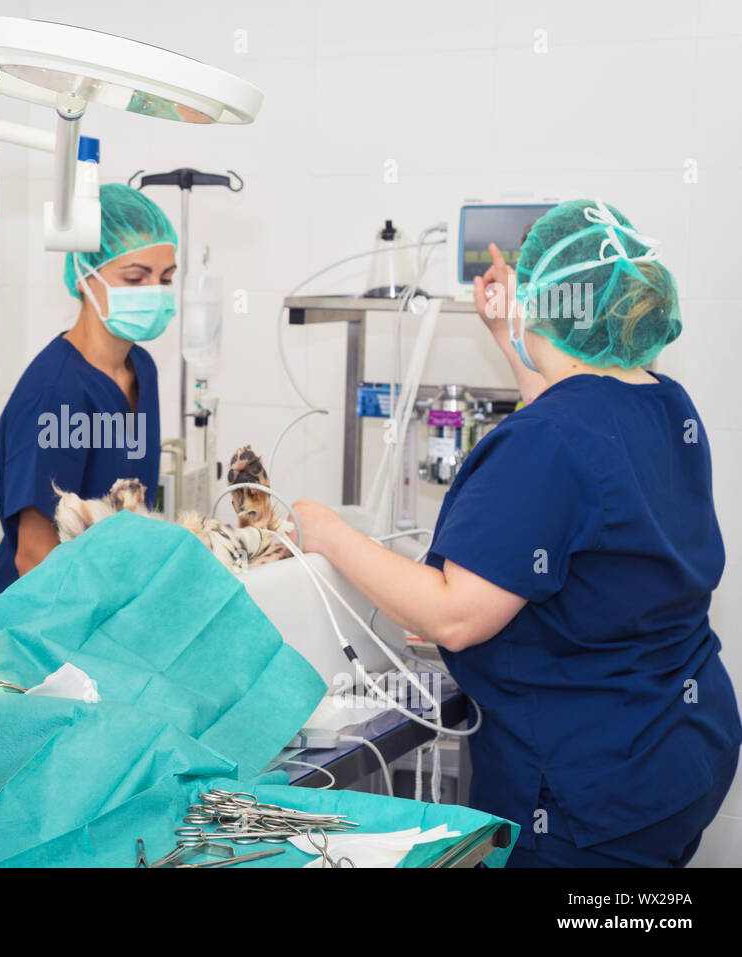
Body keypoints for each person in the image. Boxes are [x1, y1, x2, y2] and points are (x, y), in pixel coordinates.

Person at [291, 199, 741, 866]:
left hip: (587, 790)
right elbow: (573, 418)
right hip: (681, 750)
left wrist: (328, 533)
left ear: (546, 307)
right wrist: (509, 334)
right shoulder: (663, 401)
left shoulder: (546, 441)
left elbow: (455, 615)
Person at [0, 183, 177, 599]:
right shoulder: (56, 393)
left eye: (166, 278)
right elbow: (34, 556)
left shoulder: (142, 368)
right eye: (135, 277)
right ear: (85, 276)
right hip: (45, 613)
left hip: (110, 593)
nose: (155, 292)